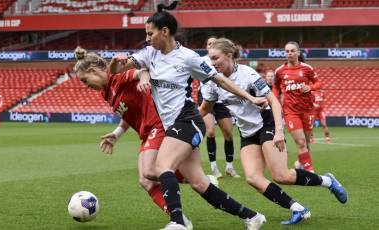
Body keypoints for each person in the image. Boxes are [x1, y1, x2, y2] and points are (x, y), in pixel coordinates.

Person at [109, 3, 267, 230]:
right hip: (174, 125)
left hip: (188, 120)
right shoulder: (148, 54)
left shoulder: (188, 57)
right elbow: (115, 71)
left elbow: (220, 80)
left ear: (164, 31)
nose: (147, 38)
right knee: (199, 183)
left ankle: (177, 223)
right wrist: (116, 61)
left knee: (162, 164)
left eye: (150, 33)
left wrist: (250, 98)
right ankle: (252, 217)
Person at [199, 37, 348, 225]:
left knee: (281, 175)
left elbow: (274, 102)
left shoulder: (248, 75)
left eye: (215, 58)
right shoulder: (213, 82)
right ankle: (298, 209)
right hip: (247, 132)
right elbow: (204, 109)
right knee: (253, 178)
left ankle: (328, 181)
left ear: (229, 55)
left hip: (267, 125)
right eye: (210, 59)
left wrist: (278, 131)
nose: (212, 63)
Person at [72, 47, 196, 229]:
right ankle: (181, 218)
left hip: (157, 123)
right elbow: (128, 114)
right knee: (146, 181)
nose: (85, 85)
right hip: (146, 132)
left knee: (149, 171)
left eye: (85, 80)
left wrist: (144, 80)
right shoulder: (105, 92)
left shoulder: (117, 76)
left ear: (93, 71)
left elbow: (141, 71)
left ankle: (194, 183)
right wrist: (116, 134)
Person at [273, 41, 321, 172]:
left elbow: (318, 83)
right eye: (287, 51)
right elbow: (276, 87)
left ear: (298, 52)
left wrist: (310, 87)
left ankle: (300, 164)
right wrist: (274, 100)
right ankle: (310, 172)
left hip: (308, 110)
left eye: (292, 51)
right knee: (300, 142)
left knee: (306, 143)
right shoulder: (280, 71)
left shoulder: (307, 68)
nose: (290, 53)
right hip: (291, 111)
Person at [200, 36, 239, 178]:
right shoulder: (202, 61)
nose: (211, 45)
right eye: (209, 43)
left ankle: (229, 166)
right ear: (206, 46)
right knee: (210, 131)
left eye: (214, 44)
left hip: (222, 99)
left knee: (228, 134)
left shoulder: (222, 59)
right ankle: (214, 166)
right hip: (206, 98)